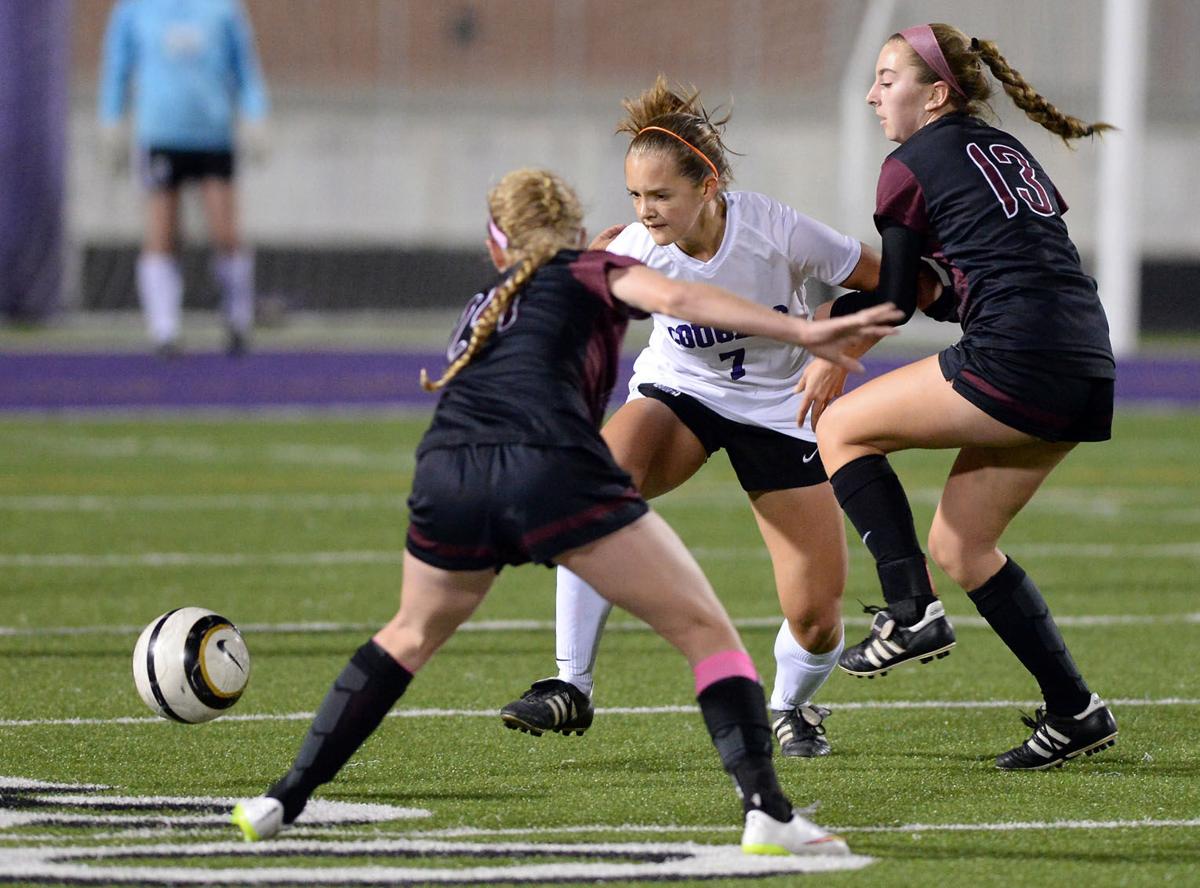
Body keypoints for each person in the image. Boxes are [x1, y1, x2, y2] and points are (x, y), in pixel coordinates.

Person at [230, 168, 900, 852]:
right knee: (707, 633)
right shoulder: (593, 268)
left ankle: (283, 798)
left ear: (496, 246)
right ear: (579, 234)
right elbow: (678, 296)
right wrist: (803, 333)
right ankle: (768, 814)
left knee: (406, 634)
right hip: (549, 470)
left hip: (447, 472)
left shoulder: (486, 301)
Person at [500, 77, 894, 758]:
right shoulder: (633, 247)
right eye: (635, 196)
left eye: (660, 195)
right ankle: (571, 685)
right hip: (681, 391)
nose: (645, 211)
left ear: (708, 186)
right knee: (596, 487)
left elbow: (891, 284)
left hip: (780, 408)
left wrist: (841, 348)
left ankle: (789, 707)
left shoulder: (776, 229)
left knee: (816, 616)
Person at [812, 23, 1119, 770]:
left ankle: (910, 612)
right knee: (962, 547)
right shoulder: (1003, 148)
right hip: (1086, 357)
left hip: (1019, 355)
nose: (872, 94)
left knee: (842, 427)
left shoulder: (908, 163)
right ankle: (1075, 711)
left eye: (889, 79)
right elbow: (967, 282)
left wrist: (831, 341)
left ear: (936, 94)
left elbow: (895, 301)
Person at [97, 0, 269, 357]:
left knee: (225, 234)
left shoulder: (223, 8)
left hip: (213, 135)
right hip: (160, 134)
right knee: (162, 232)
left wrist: (256, 113)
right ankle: (164, 329)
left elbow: (245, 66)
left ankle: (237, 318)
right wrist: (111, 119)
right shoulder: (135, 9)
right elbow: (117, 65)